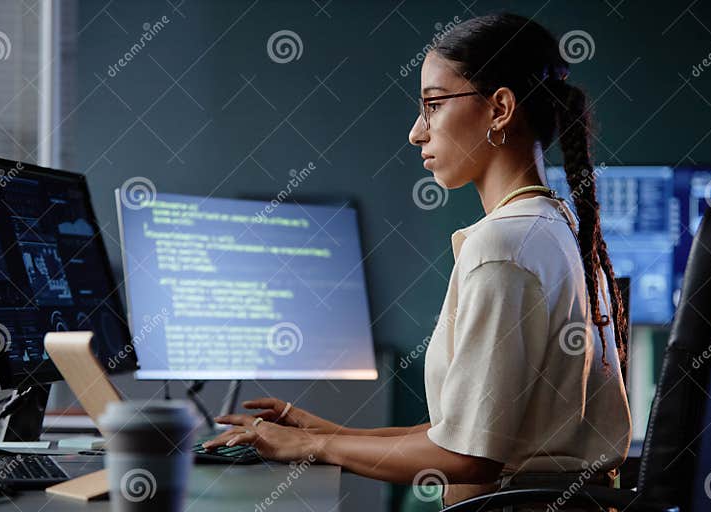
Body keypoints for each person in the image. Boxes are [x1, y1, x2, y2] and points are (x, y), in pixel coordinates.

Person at [203, 12, 632, 511]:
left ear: (500, 108)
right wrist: (327, 431)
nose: (415, 133)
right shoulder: (551, 227)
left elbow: (472, 459)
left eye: (433, 106)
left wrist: (311, 447)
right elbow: (467, 432)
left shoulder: (504, 246)